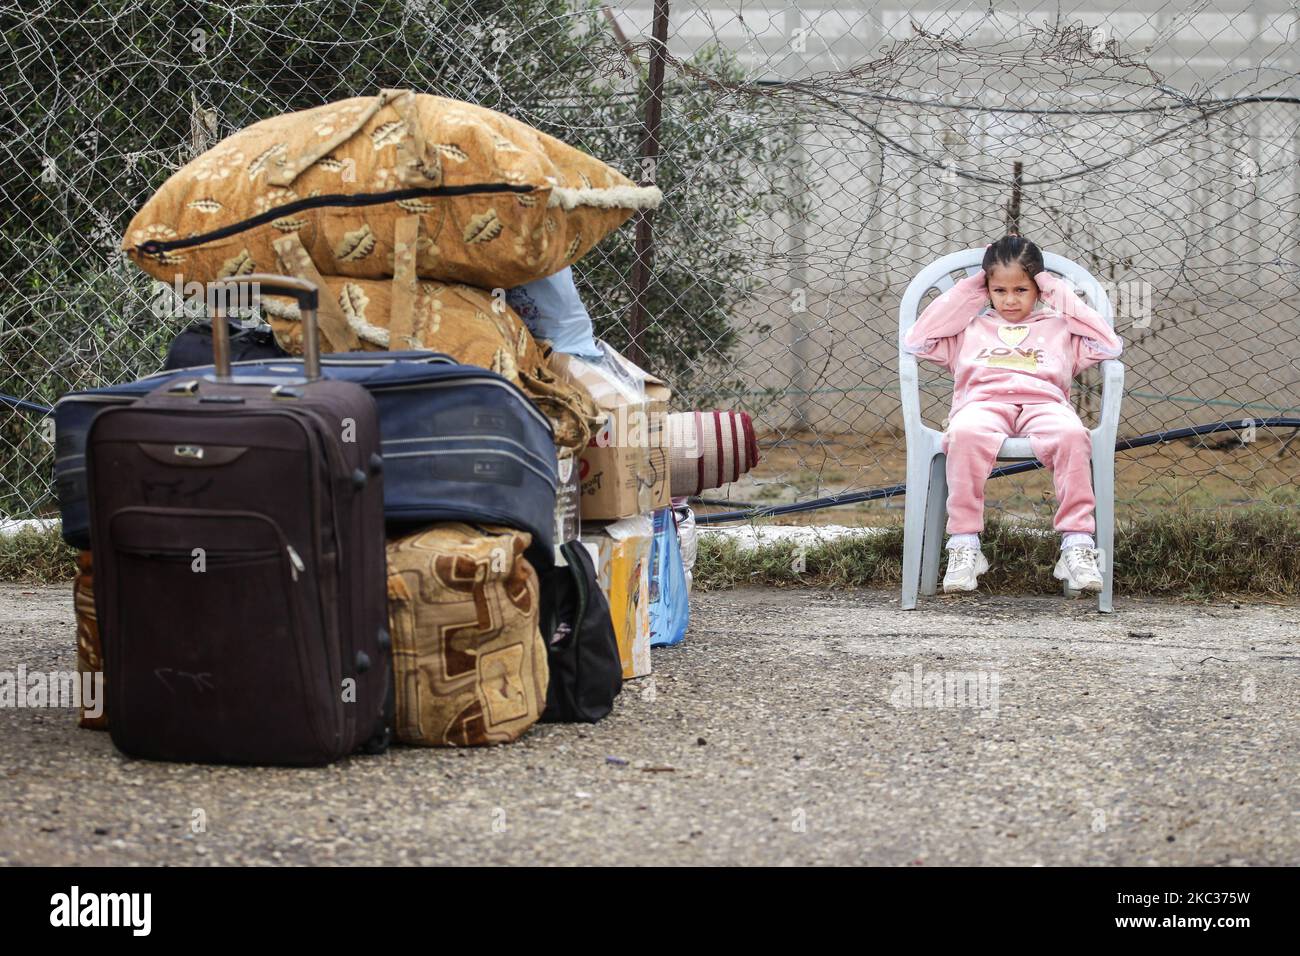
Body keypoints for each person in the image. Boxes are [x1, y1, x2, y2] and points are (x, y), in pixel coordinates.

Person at [902, 235, 1124, 594]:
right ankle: (964, 544)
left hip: (1045, 406)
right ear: (987, 288)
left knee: (1071, 435)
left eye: (1022, 289)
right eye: (999, 290)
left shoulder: (1059, 327)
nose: (1009, 300)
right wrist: (974, 286)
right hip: (982, 406)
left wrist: (1053, 287)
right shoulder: (970, 329)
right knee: (964, 434)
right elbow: (917, 341)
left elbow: (1108, 344)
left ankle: (1077, 544)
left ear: (1038, 288)